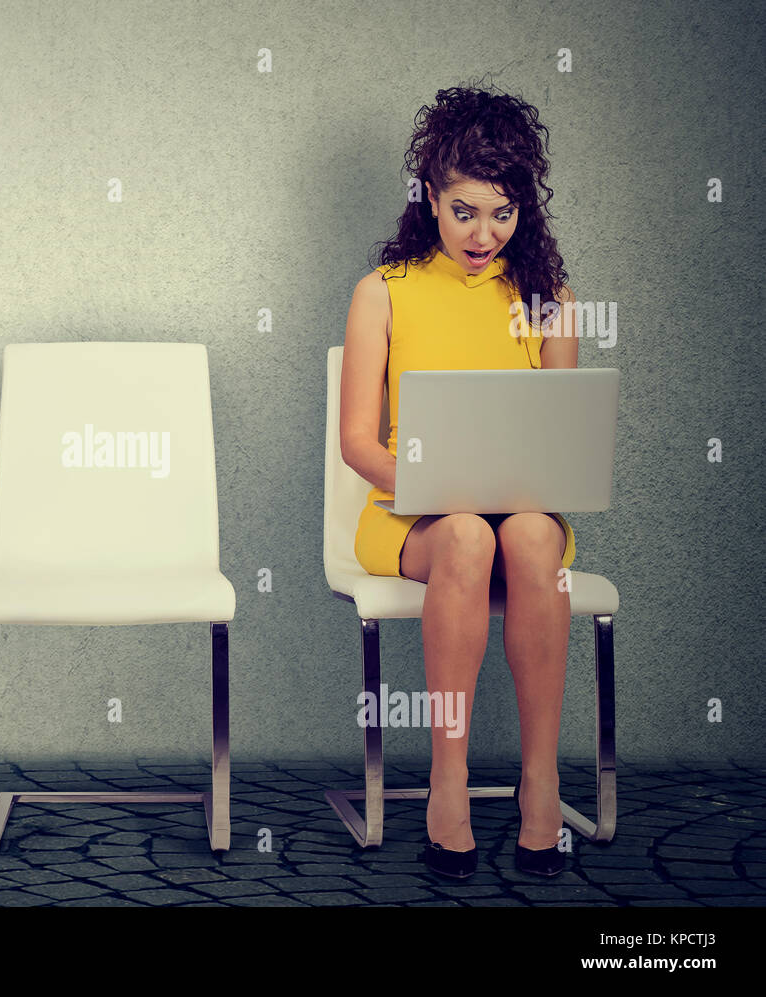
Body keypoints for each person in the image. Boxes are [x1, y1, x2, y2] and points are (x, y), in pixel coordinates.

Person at [340, 85, 580, 878]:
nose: (484, 234)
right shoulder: (383, 291)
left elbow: (560, 441)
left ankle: (538, 777)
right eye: (466, 211)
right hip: (412, 517)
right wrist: (433, 483)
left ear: (525, 212)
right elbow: (355, 444)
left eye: (504, 213)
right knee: (470, 533)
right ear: (430, 199)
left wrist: (517, 484)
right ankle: (450, 780)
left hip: (518, 516)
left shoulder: (547, 301)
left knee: (535, 530)